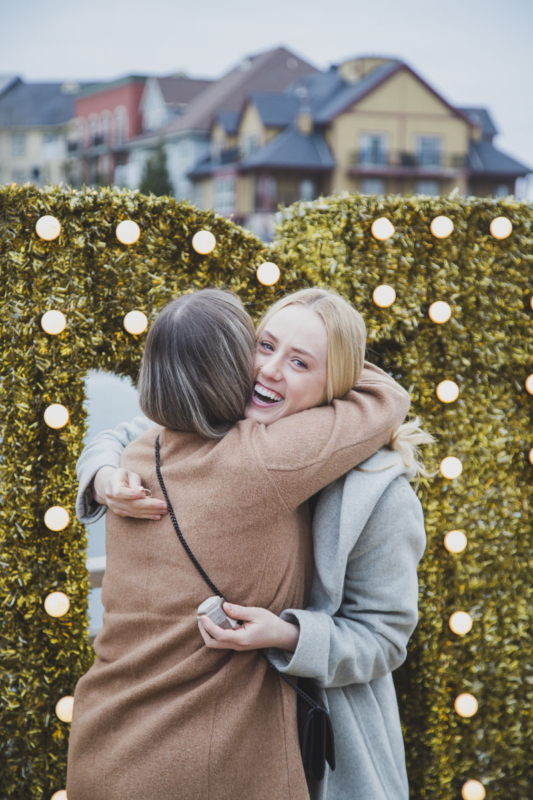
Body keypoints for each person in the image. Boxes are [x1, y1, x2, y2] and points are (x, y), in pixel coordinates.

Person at [67, 288, 410, 800]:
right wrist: (100, 472)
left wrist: (291, 636)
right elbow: (128, 432)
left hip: (310, 750)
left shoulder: (379, 494)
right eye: (263, 345)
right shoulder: (220, 433)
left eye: (299, 361)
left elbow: (383, 636)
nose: (269, 370)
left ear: (338, 384)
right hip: (216, 758)